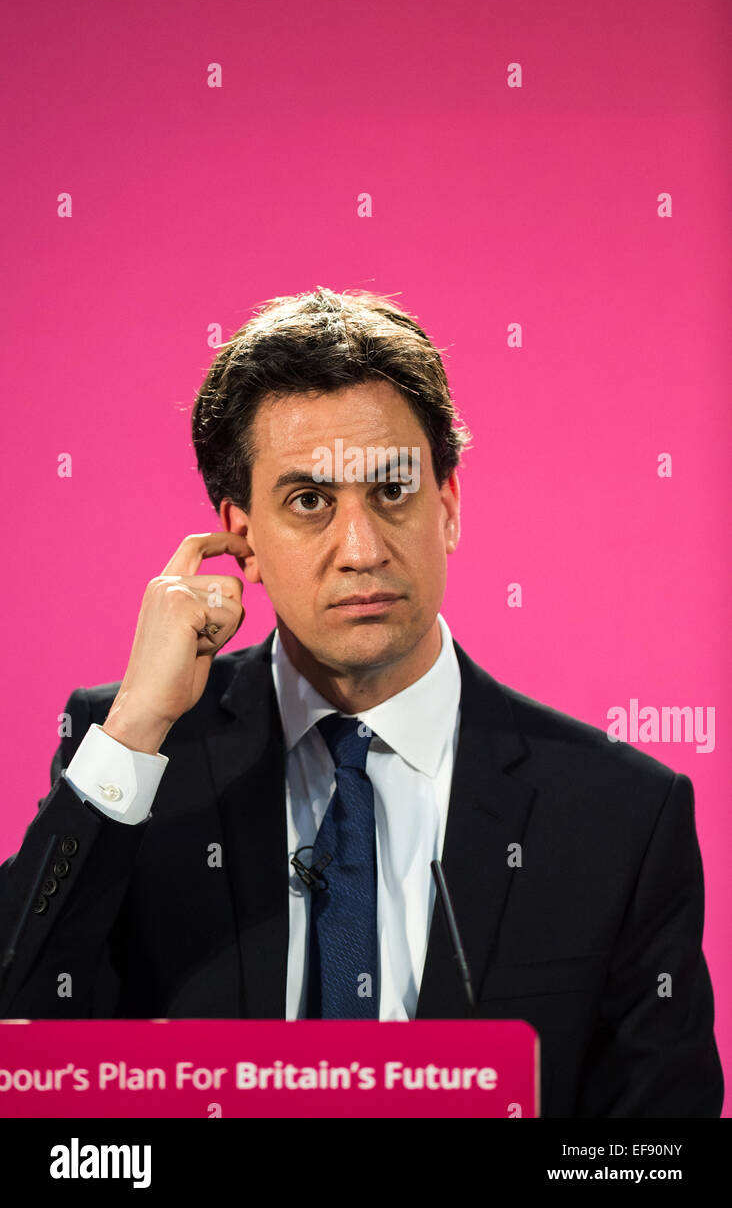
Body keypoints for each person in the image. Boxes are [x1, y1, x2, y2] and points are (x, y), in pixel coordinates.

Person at [0, 288, 723, 1118]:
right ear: (241, 539)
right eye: (310, 502)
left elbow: (658, 1150)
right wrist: (135, 730)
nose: (362, 548)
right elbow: (20, 1028)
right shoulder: (137, 757)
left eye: (392, 491)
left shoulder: (620, 813)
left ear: (446, 506)